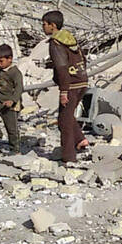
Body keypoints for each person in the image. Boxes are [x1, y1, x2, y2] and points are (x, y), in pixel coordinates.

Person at [41, 9, 88, 163]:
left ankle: (68, 157)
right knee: (66, 116)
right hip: (82, 81)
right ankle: (80, 140)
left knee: (64, 122)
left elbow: (62, 68)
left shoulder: (56, 43)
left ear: (52, 25)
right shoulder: (69, 38)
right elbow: (83, 59)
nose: (43, 27)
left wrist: (63, 91)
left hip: (71, 86)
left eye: (45, 24)